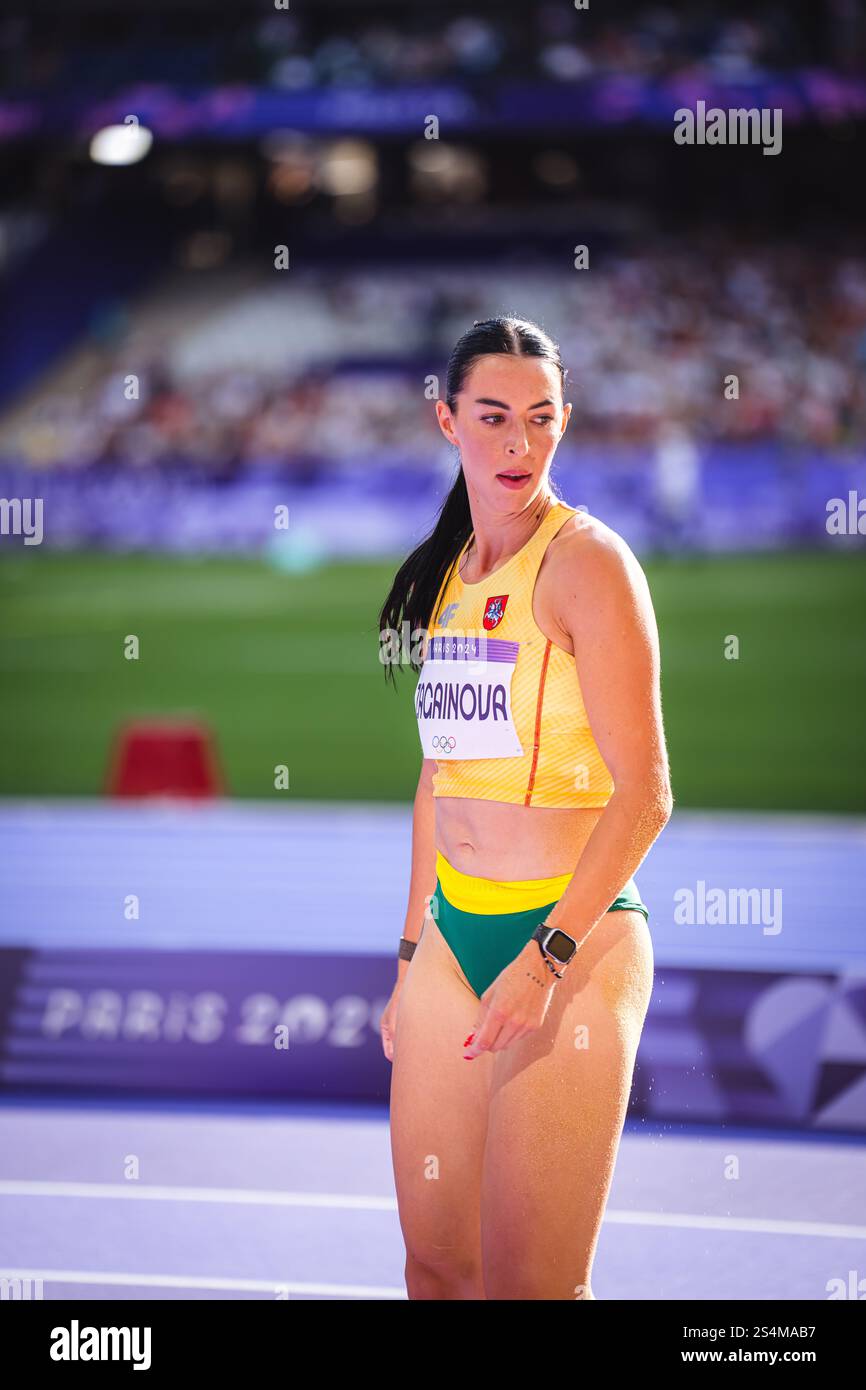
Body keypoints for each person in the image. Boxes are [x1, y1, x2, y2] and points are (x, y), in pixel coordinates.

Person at [377, 316, 673, 1300]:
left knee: (528, 1289)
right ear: (445, 420)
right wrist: (414, 948)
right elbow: (437, 780)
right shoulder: (448, 579)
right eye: (493, 417)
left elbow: (646, 796)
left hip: (568, 942)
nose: (518, 443)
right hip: (452, 938)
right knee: (435, 1266)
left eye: (540, 419)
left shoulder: (588, 564)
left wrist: (544, 958)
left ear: (563, 424)